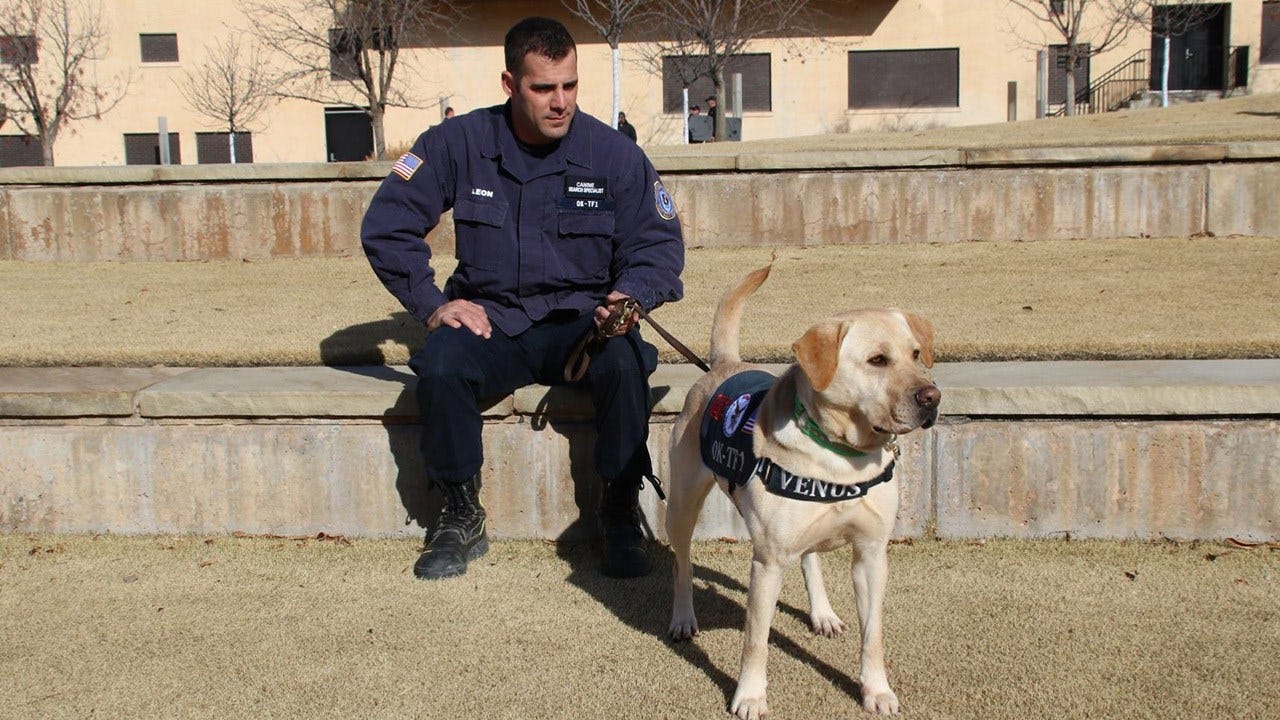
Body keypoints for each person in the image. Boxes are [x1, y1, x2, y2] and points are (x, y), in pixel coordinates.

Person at [361, 17, 684, 581]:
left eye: (570, 85)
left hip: (582, 325)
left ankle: (619, 507)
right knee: (442, 364)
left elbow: (657, 244)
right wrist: (432, 305)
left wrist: (629, 296)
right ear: (510, 84)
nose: (560, 102)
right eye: (543, 88)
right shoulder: (458, 144)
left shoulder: (612, 154)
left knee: (625, 360)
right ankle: (459, 513)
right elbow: (387, 227)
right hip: (494, 324)